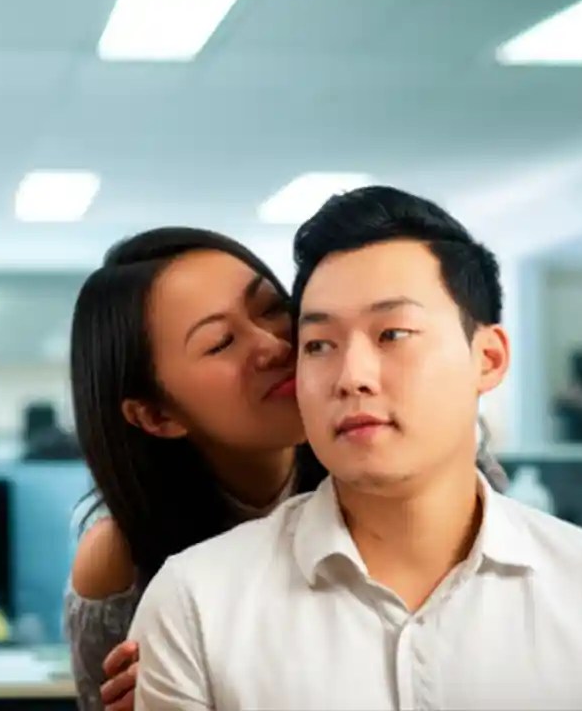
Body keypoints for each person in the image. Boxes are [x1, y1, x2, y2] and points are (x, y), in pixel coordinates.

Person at [130, 187, 582, 710]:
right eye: (319, 345)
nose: (352, 377)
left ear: (488, 358)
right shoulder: (196, 604)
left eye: (393, 333)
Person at [62, 227, 511, 711]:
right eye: (221, 342)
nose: (275, 345)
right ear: (157, 415)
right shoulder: (124, 555)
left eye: (273, 309)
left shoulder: (413, 459)